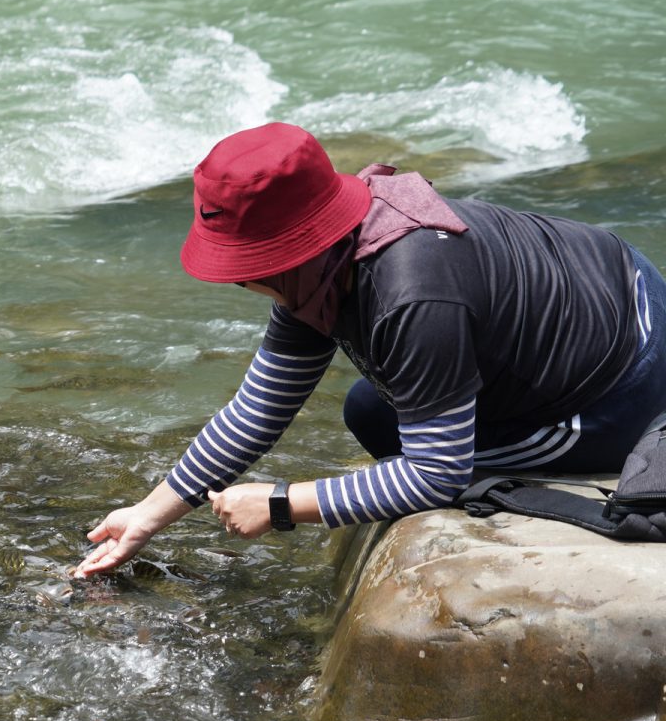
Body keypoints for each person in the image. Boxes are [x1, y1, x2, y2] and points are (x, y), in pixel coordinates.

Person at [72, 121, 666, 578]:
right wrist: (147, 517)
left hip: (625, 371)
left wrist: (281, 505)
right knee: (371, 409)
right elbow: (257, 411)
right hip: (611, 278)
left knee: (407, 443)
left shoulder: (413, 295)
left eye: (241, 266)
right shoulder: (327, 260)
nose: (236, 281)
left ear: (289, 251)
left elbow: (436, 475)